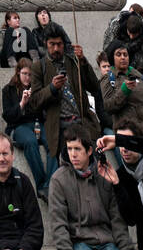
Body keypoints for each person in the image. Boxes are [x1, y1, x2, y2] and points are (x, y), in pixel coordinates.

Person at [48, 123, 136, 250]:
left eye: (77, 149)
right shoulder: (59, 179)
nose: (73, 154)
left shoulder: (103, 174)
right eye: (69, 149)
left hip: (107, 241)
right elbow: (58, 226)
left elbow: (117, 219)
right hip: (80, 244)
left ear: (89, 151)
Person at [30, 30, 105, 162]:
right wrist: (52, 88)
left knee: (93, 163)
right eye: (52, 44)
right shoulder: (38, 67)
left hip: (82, 122)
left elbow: (94, 87)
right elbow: (35, 101)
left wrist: (83, 62)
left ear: (64, 45)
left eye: (59, 44)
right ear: (45, 44)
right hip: (58, 127)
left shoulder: (74, 62)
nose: (56, 48)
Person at [2, 57, 56, 197]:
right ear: (18, 73)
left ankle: (49, 184)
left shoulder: (36, 88)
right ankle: (40, 184)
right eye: (25, 74)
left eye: (30, 74)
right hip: (19, 126)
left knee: (52, 141)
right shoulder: (8, 90)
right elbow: (7, 116)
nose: (27, 78)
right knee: (30, 142)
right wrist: (22, 104)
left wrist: (35, 100)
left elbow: (44, 109)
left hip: (37, 123)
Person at [100, 45, 143, 139]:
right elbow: (109, 106)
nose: (123, 57)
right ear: (112, 58)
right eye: (118, 54)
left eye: (125, 54)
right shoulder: (108, 79)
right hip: (128, 134)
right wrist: (124, 91)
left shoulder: (139, 76)